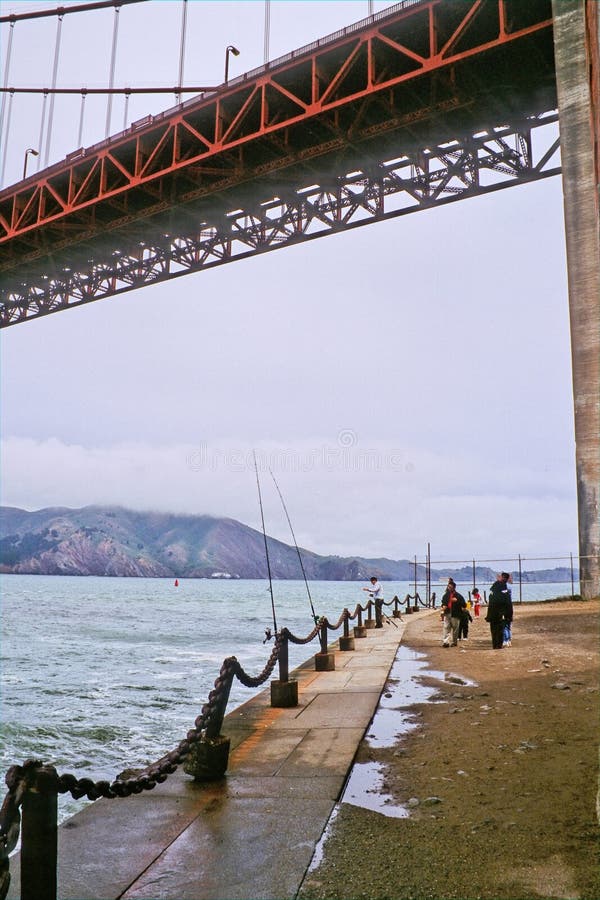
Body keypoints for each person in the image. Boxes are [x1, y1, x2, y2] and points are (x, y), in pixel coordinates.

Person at [486, 572, 513, 649]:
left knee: (496, 630)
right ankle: (498, 644)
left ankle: (497, 644)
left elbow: (492, 602)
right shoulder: (504, 591)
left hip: (496, 613)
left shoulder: (497, 590)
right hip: (500, 613)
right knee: (499, 630)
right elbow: (507, 604)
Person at [441, 579, 466, 646]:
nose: (449, 588)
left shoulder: (458, 596)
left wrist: (457, 601)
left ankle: (454, 642)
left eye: (450, 587)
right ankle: (446, 642)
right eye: (448, 587)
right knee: (446, 627)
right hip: (447, 613)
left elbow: (464, 604)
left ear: (454, 587)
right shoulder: (446, 595)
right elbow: (443, 602)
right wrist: (443, 606)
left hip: (455, 614)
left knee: (455, 629)